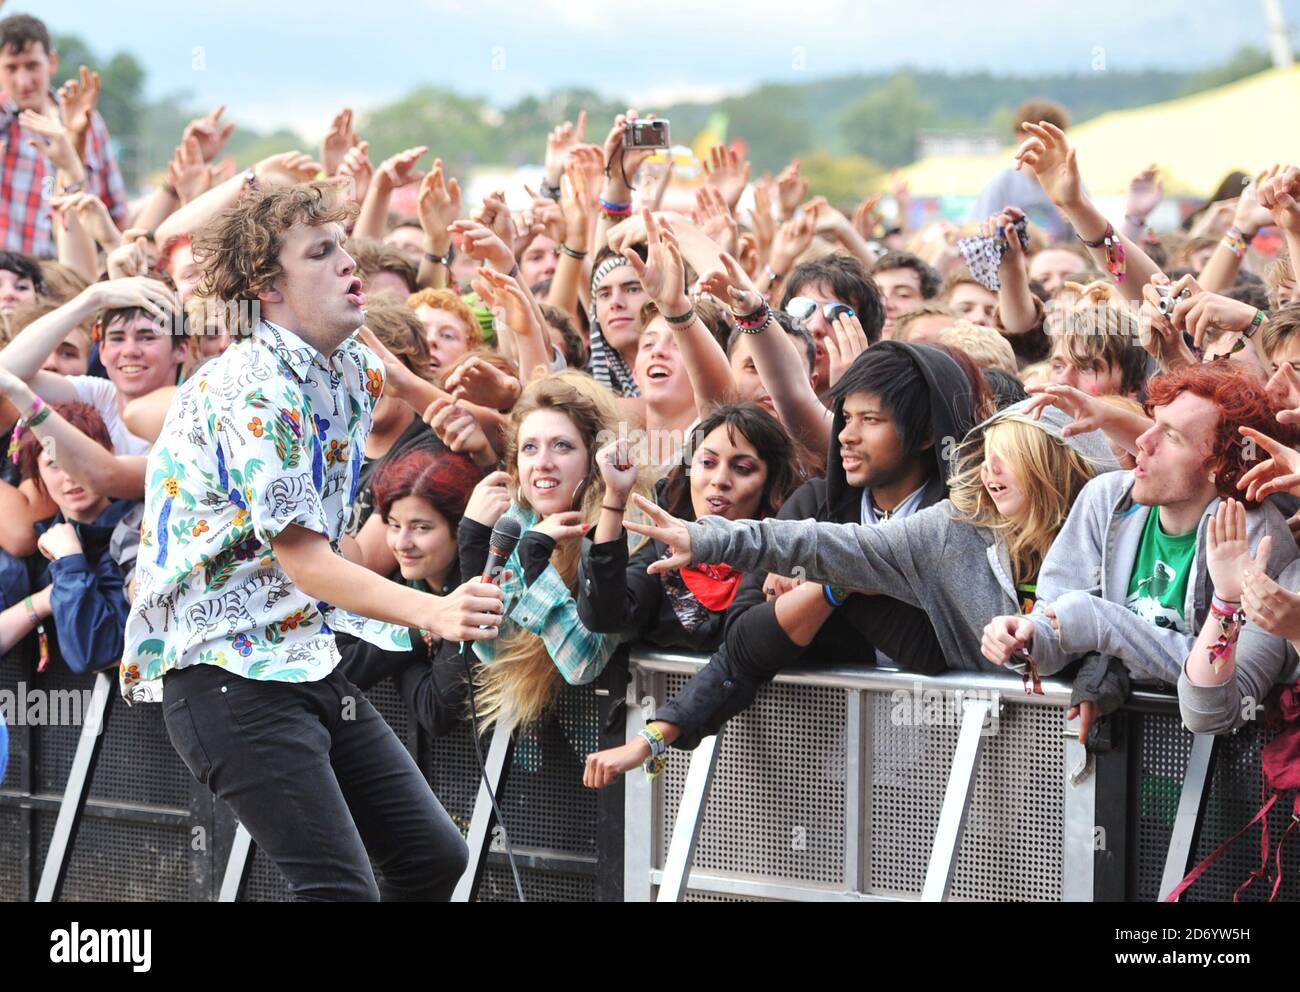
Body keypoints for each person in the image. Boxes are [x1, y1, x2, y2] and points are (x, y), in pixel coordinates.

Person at [121, 181, 503, 901]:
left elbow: (370, 354)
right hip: (225, 678)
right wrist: (434, 612)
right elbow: (307, 563)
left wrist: (432, 398)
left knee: (432, 860)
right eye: (322, 253)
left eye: (346, 248)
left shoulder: (340, 355)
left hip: (305, 660)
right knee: (338, 892)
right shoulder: (254, 392)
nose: (348, 265)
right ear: (269, 288)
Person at [585, 395, 1120, 785]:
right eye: (987, 457)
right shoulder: (950, 530)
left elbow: (1138, 623)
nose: (989, 473)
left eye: (1009, 457)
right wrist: (706, 540)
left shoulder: (1112, 537)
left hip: (1076, 775)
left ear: (1050, 469)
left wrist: (1098, 678)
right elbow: (823, 548)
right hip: (952, 773)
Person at [982, 364, 1297, 735]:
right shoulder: (1107, 498)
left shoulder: (1257, 540)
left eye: (1172, 437)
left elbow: (1222, 705)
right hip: (1115, 756)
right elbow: (1061, 629)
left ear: (1217, 465)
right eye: (1153, 423)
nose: (1143, 443)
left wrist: (1108, 624)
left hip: (1217, 776)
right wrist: (1024, 637)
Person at [458, 370, 624, 728]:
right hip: (528, 743)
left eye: (562, 446)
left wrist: (534, 561)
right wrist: (474, 538)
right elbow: (491, 650)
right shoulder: (516, 522)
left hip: (609, 745)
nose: (542, 462)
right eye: (530, 448)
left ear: (596, 459)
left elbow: (583, 664)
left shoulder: (619, 531)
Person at [577, 402, 799, 653]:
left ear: (769, 483)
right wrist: (615, 497)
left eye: (742, 468)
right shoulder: (664, 544)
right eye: (707, 462)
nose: (720, 480)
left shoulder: (784, 556)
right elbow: (605, 616)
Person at [337, 448, 483, 736]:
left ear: (459, 529)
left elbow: (436, 709)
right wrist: (424, 631)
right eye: (394, 525)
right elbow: (340, 666)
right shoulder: (396, 585)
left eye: (421, 528)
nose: (402, 543)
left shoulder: (479, 588)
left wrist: (407, 634)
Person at [0, 14, 128, 257]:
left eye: (32, 65)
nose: (23, 81)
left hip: (70, 276)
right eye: (11, 68)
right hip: (10, 279)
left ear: (51, 62)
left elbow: (116, 215)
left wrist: (76, 138)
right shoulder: (3, 121)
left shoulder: (88, 121)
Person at [971, 98, 1072, 240]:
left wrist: (1075, 212)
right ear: (1019, 137)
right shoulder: (1002, 184)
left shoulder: (1069, 182)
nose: (1045, 145)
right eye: (1038, 136)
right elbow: (977, 229)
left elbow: (1091, 243)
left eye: (1052, 137)